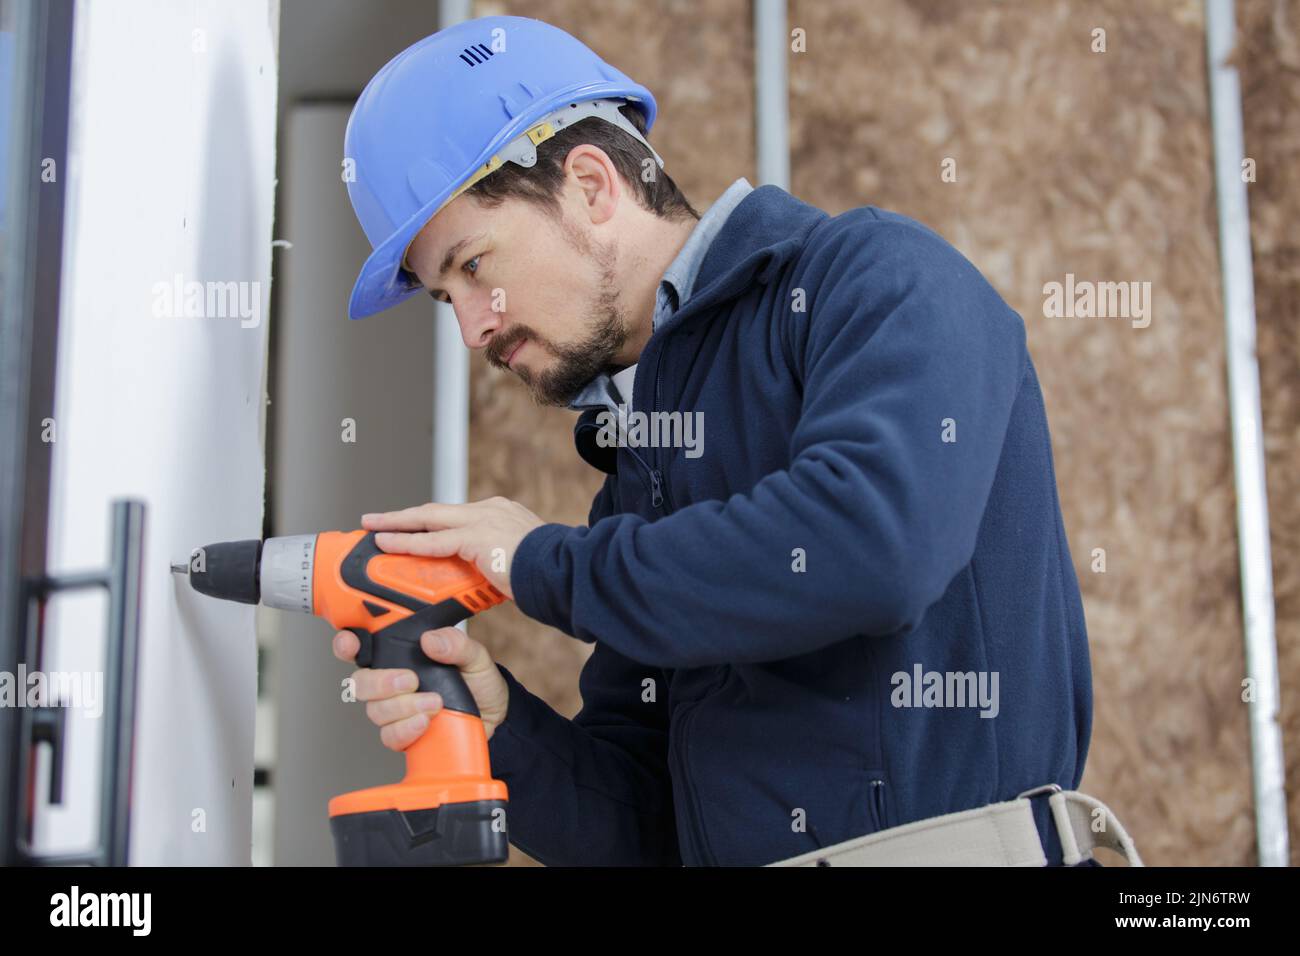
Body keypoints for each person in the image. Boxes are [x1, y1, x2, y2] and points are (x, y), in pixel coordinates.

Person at [331, 15, 1101, 867]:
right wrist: (499, 727)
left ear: (591, 186)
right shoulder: (642, 470)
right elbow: (649, 830)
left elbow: (878, 541)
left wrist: (543, 563)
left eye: (474, 266)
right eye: (447, 300)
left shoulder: (878, 280)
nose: (475, 330)